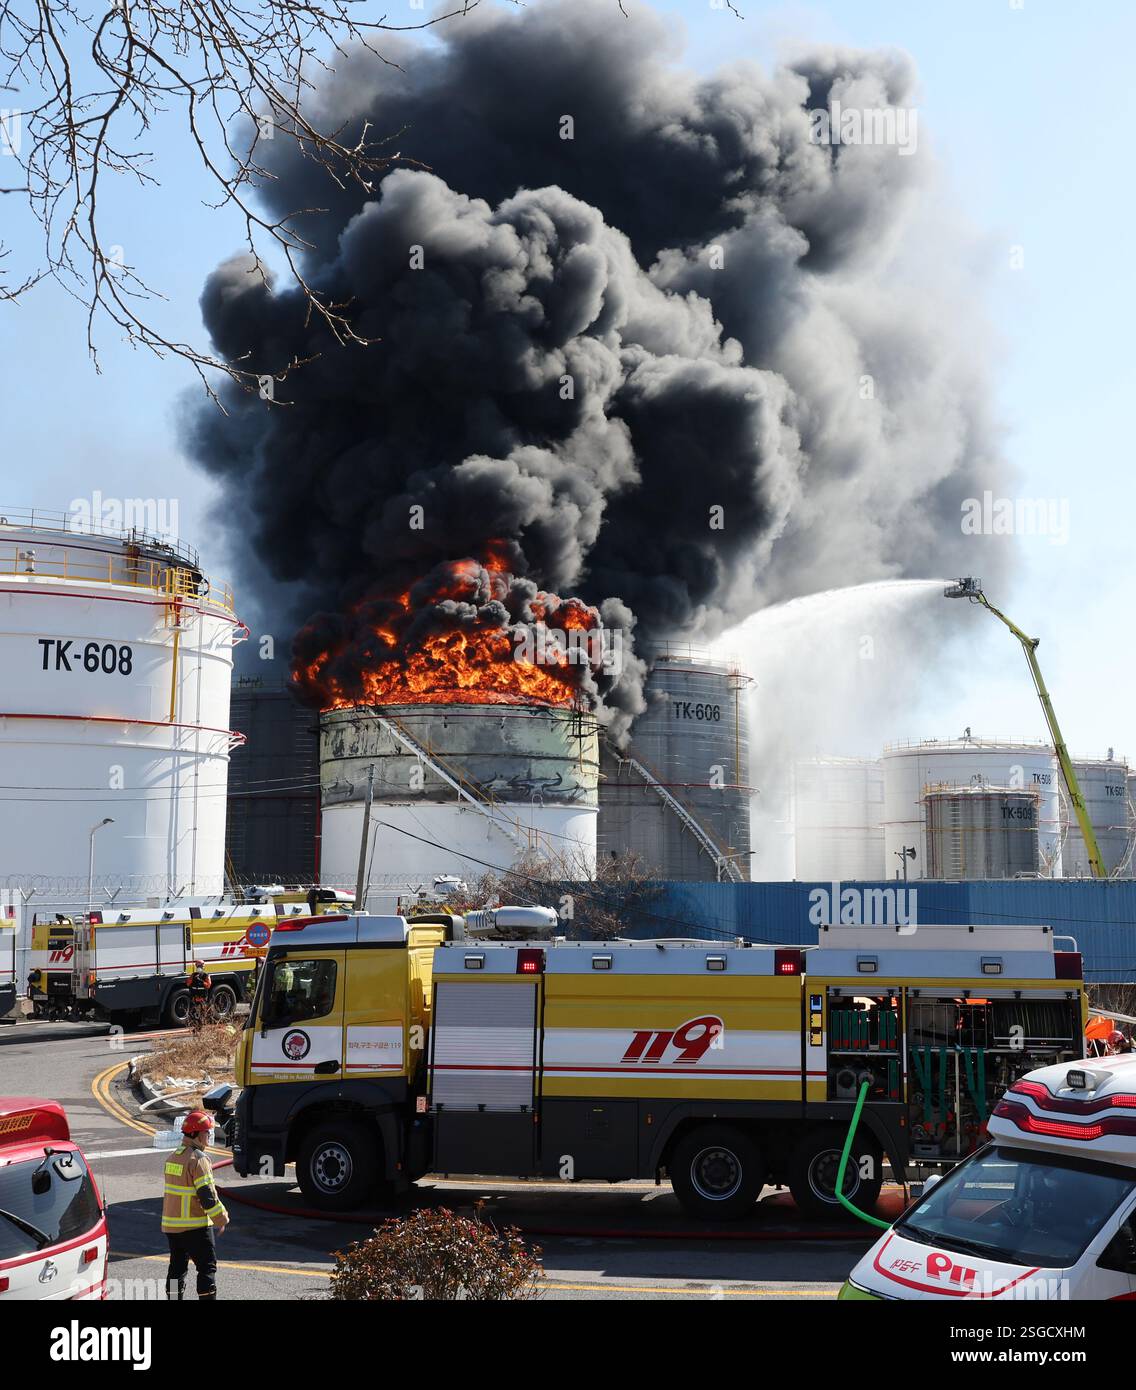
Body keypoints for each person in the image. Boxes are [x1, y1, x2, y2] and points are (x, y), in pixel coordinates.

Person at [162, 1110, 229, 1300]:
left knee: (177, 1267)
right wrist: (221, 1218)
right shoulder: (199, 1159)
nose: (209, 1137)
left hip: (172, 1227)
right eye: (207, 1133)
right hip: (194, 1226)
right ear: (197, 1134)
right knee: (207, 1267)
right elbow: (207, 1195)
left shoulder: (173, 1157)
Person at [187, 959, 212, 1028]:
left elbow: (208, 985)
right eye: (199, 966)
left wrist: (201, 981)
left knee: (202, 1013)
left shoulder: (206, 975)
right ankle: (195, 1026)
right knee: (193, 1013)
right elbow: (188, 984)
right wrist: (193, 979)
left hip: (202, 997)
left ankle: (200, 1027)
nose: (200, 967)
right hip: (194, 997)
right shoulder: (193, 975)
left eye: (201, 966)